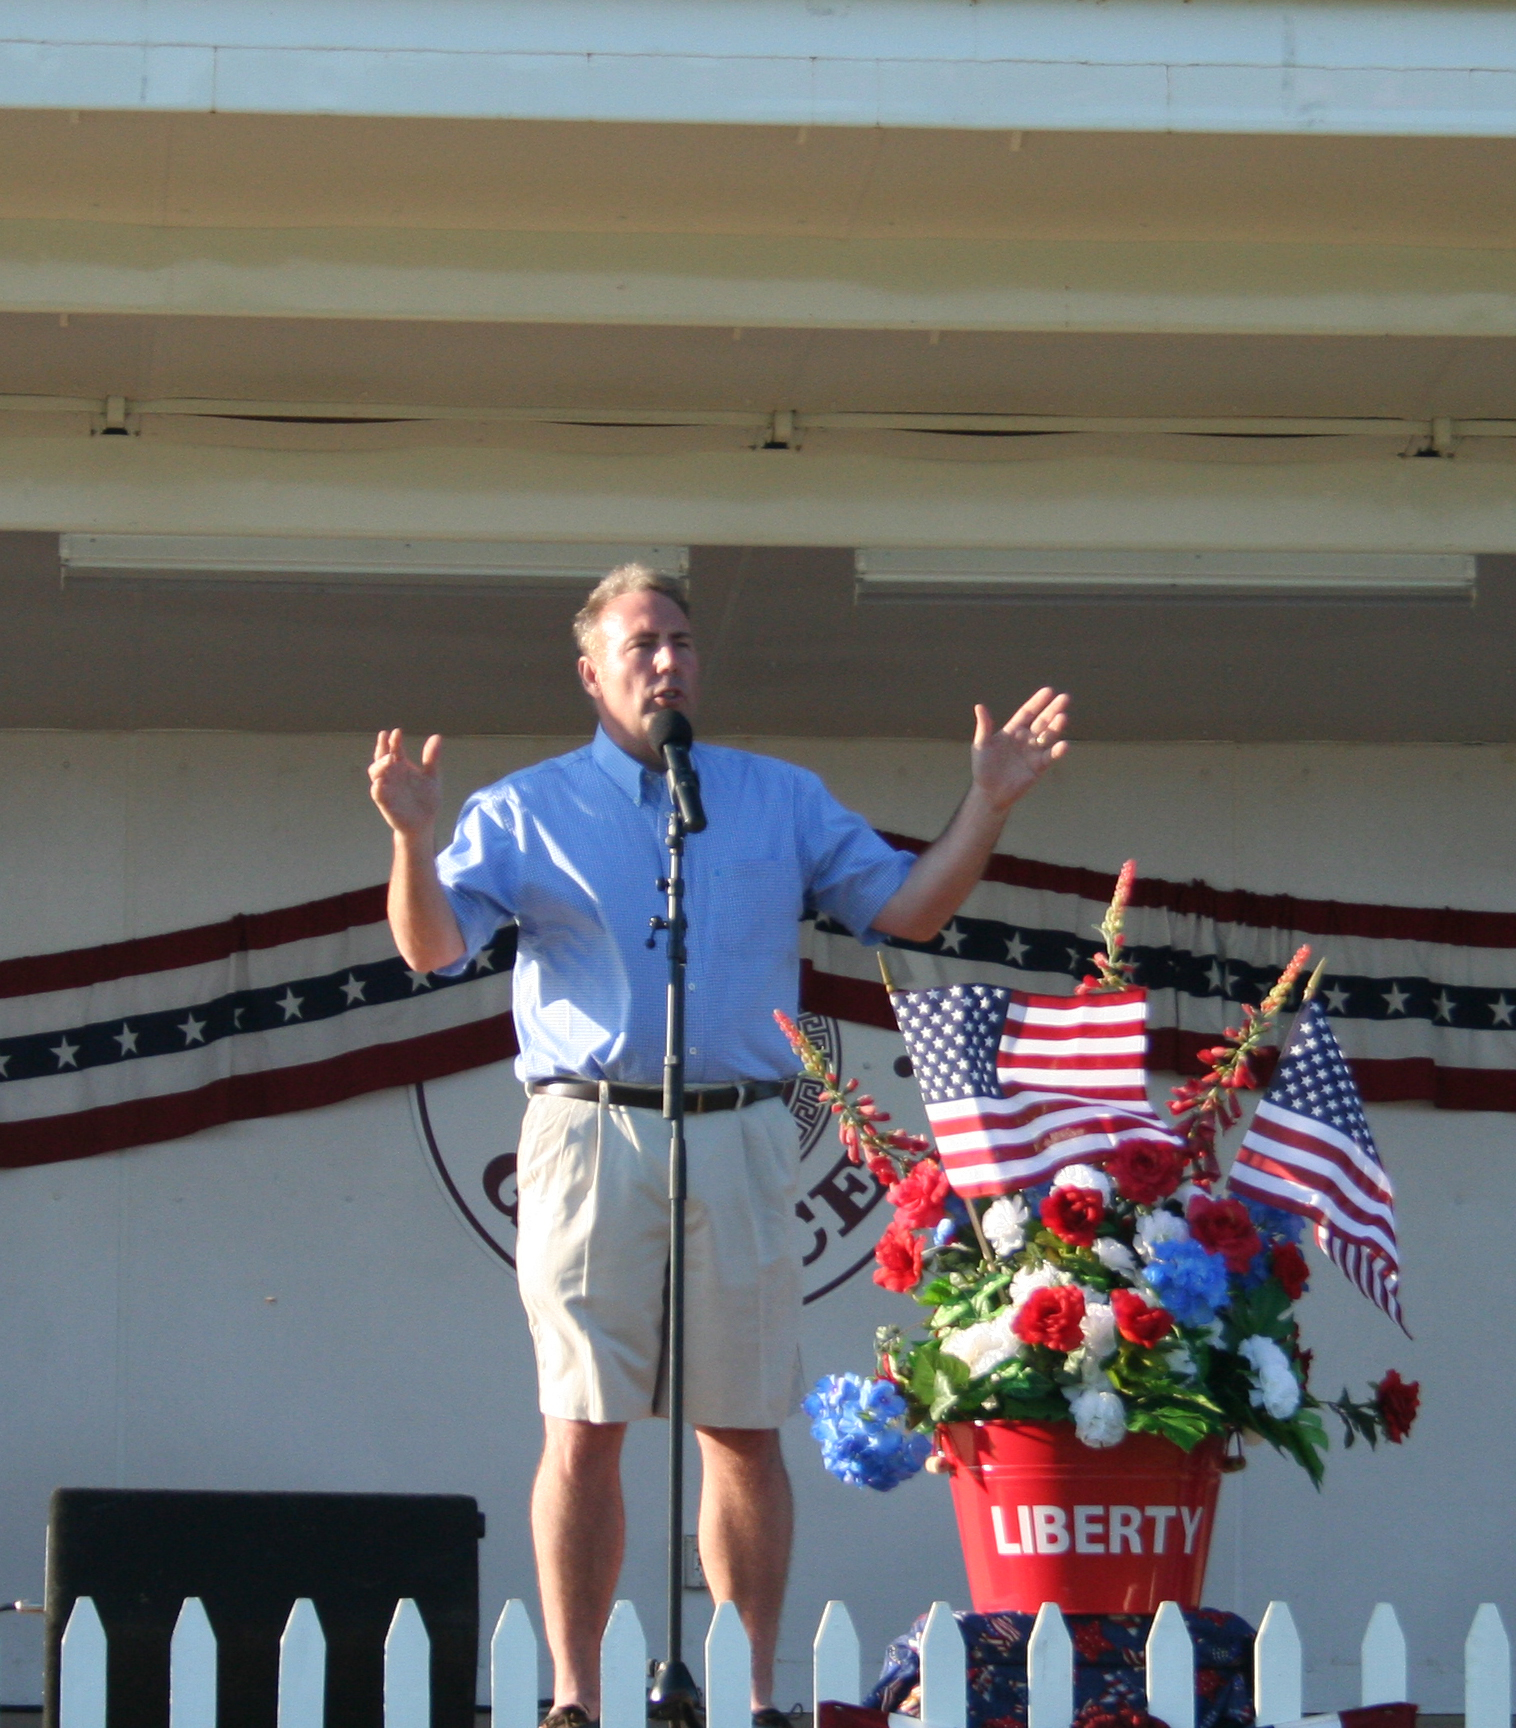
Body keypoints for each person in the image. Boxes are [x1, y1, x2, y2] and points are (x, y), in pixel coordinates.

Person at [368, 564, 1069, 1728]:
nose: (667, 662)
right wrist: (409, 836)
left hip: (740, 1127)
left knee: (741, 1425)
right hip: (589, 1127)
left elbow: (906, 912)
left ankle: (745, 1696)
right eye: (641, 644)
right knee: (583, 1423)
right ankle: (578, 1700)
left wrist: (987, 805)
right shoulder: (526, 805)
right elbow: (433, 949)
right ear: (590, 672)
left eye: (682, 642)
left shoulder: (774, 797)